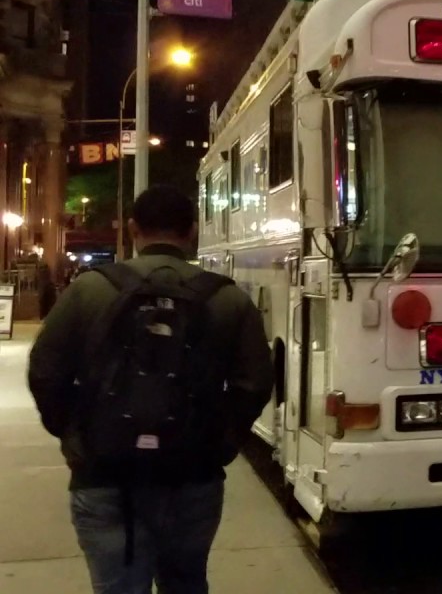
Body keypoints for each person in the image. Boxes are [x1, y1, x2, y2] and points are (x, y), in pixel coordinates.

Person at [27, 185, 273, 594]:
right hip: (193, 474)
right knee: (186, 583)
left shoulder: (88, 290)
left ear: (132, 228)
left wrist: (73, 435)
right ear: (193, 231)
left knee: (117, 587)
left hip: (103, 475)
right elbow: (255, 382)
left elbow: (45, 371)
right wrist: (222, 442)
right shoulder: (227, 298)